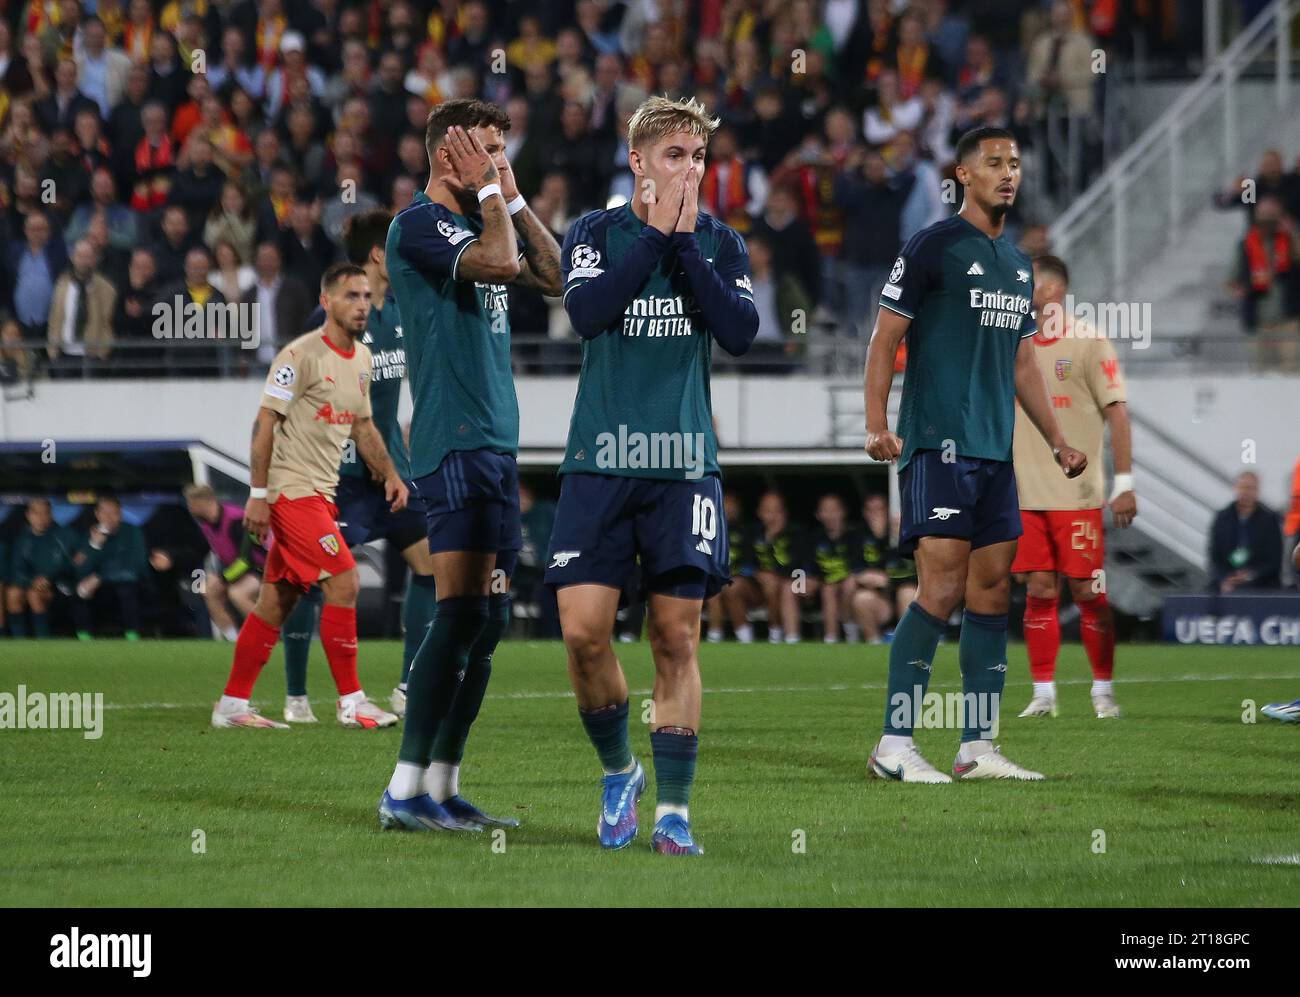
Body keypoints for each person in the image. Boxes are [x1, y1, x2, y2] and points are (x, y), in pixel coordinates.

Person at [544, 95, 758, 855]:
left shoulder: (722, 244)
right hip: (600, 463)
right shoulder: (594, 234)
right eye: (676, 156)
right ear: (638, 162)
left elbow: (738, 332)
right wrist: (658, 237)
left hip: (683, 465)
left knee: (675, 636)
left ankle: (674, 811)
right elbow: (590, 314)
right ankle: (618, 770)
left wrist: (688, 247)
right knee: (583, 635)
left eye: (699, 158)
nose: (690, 170)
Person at [864, 125, 1087, 784]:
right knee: (939, 590)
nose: (1008, 173)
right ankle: (893, 742)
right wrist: (876, 423)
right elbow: (883, 340)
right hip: (937, 442)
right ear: (962, 174)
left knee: (992, 594)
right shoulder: (932, 246)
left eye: (1015, 162)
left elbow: (1023, 363)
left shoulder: (1018, 264)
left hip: (995, 451)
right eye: (993, 162)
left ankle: (976, 746)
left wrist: (1056, 438)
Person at [378, 98, 563, 834]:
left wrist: (510, 194)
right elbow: (501, 260)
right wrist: (491, 197)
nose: (496, 160)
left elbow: (553, 276)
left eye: (501, 149)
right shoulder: (417, 226)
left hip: (495, 443)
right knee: (458, 615)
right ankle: (402, 788)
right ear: (445, 153)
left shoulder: (480, 215)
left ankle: (444, 786)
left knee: (485, 624)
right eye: (484, 149)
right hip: (452, 442)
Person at [209, 262, 407, 731]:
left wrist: (392, 474)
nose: (362, 305)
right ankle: (352, 701)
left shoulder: (360, 358)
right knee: (345, 580)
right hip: (292, 493)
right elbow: (264, 425)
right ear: (327, 302)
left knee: (276, 601)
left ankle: (232, 705)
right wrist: (258, 494)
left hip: (322, 493)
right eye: (351, 297)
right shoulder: (299, 356)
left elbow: (363, 426)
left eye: (365, 296)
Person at [275, 208, 436, 724]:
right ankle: (298, 696)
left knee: (432, 564)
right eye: (398, 245)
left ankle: (410, 686)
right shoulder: (333, 320)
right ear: (376, 255)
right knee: (309, 582)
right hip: (337, 476)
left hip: (391, 471)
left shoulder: (398, 312)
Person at [1013, 254, 1136, 720]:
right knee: (1039, 590)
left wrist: (1124, 483)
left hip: (1077, 495)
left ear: (1050, 290)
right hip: (1025, 493)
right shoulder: (1012, 342)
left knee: (1088, 592)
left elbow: (1117, 413)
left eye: (1028, 284)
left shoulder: (1089, 341)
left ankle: (1102, 691)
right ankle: (1043, 694)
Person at [181, 484, 265, 642]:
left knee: (237, 593)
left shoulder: (237, 519)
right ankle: (234, 639)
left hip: (260, 569)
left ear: (201, 503)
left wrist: (222, 578)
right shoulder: (206, 525)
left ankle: (267, 636)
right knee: (209, 593)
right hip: (237, 570)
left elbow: (246, 560)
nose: (190, 508)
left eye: (191, 504)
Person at [72, 495, 151, 640]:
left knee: (126, 590)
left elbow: (133, 567)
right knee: (81, 590)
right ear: (97, 514)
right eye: (104, 512)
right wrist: (94, 546)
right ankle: (83, 637)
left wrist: (100, 577)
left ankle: (132, 635)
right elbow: (79, 568)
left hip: (130, 583)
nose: (108, 517)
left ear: (120, 514)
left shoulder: (133, 532)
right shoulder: (88, 535)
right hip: (100, 588)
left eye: (113, 512)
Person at [6, 498, 76, 638]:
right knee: (13, 593)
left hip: (59, 586)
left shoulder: (64, 535)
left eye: (45, 513)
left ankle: (42, 640)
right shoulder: (22, 539)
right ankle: (18, 642)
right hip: (32, 584)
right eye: (36, 513)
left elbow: (72, 564)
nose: (41, 518)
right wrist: (33, 581)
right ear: (28, 515)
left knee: (34, 594)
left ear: (51, 515)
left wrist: (48, 578)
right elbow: (17, 569)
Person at [803, 493, 863, 643]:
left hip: (850, 587)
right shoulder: (814, 537)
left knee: (845, 585)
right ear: (818, 515)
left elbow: (858, 568)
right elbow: (805, 568)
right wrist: (805, 579)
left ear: (844, 512)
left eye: (834, 510)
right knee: (827, 589)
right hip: (822, 587)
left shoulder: (856, 535)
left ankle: (851, 633)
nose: (830, 515)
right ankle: (831, 639)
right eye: (825, 510)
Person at [1208, 472, 1283, 593]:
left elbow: (1274, 561)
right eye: (1243, 487)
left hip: (1260, 584)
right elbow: (1214, 558)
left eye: (1251, 488)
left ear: (1257, 491)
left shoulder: (1270, 520)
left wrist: (1249, 576)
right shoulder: (1222, 518)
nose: (1247, 492)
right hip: (1227, 582)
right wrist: (1224, 579)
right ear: (1236, 489)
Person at [753, 490, 807, 644]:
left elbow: (799, 568)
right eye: (768, 510)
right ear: (759, 512)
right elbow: (746, 564)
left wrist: (774, 538)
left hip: (799, 583)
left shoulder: (796, 533)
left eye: (777, 510)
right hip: (759, 587)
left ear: (784, 512)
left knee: (786, 587)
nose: (773, 515)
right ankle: (773, 634)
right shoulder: (753, 533)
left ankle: (791, 639)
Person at [710, 490, 761, 643]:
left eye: (733, 505)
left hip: (749, 587)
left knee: (732, 586)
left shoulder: (750, 532)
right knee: (713, 585)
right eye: (726, 504)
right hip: (715, 588)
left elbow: (754, 565)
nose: (729, 509)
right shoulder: (708, 531)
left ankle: (745, 639)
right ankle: (715, 637)